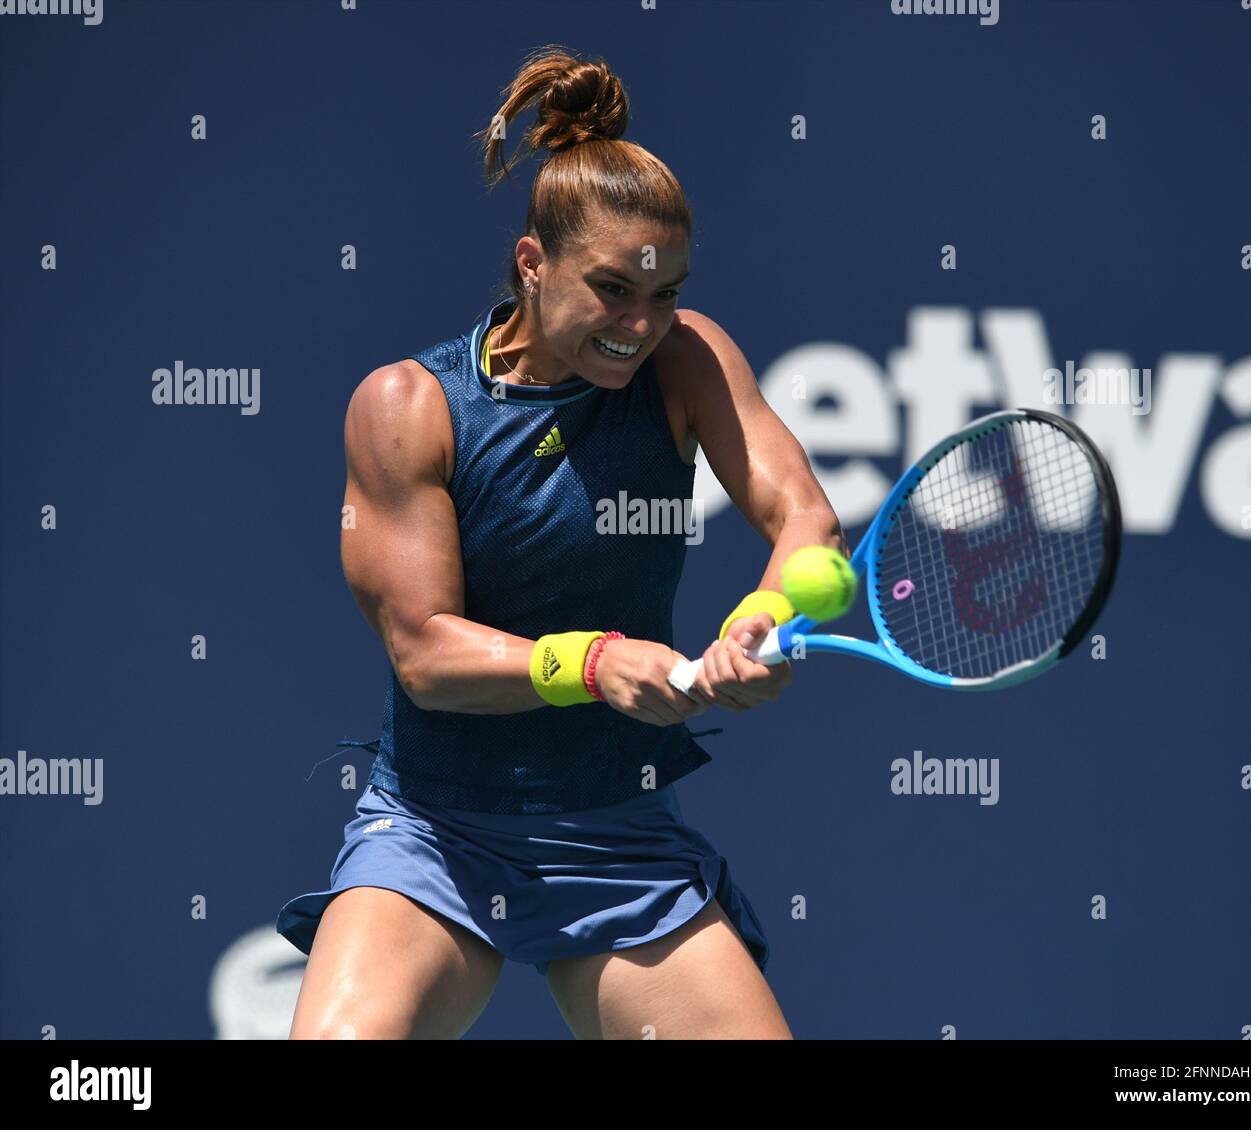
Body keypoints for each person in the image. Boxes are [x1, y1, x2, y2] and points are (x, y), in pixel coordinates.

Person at [276, 45, 845, 1040]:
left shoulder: (687, 361)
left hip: (618, 841)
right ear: (532, 263)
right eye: (613, 288)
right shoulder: (410, 406)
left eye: (664, 292)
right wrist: (592, 660)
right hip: (437, 833)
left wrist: (763, 616)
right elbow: (423, 652)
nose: (641, 322)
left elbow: (807, 521)